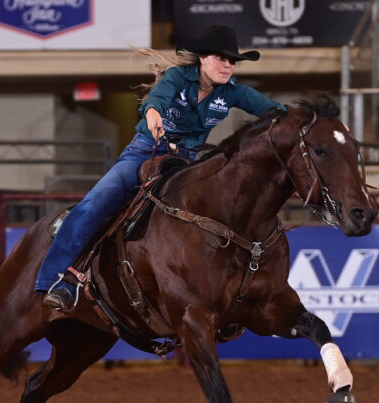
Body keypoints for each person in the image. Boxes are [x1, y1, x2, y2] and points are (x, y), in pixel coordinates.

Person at [35, 25, 285, 311]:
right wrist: (153, 113)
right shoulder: (177, 77)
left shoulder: (234, 93)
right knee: (97, 203)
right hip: (145, 152)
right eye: (222, 58)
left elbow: (275, 110)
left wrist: (315, 122)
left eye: (232, 61)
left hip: (188, 163)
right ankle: (55, 281)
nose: (228, 65)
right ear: (203, 58)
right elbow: (158, 98)